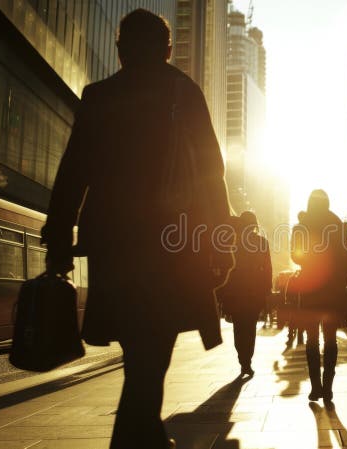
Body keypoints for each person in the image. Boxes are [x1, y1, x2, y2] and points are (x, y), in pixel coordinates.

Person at [41, 10, 233, 449]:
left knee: (139, 354)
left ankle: (145, 437)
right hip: (172, 247)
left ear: (120, 49)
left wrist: (59, 240)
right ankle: (139, 438)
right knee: (151, 353)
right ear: (168, 50)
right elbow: (212, 173)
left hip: (115, 250)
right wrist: (221, 243)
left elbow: (73, 173)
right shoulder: (183, 91)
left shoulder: (99, 96)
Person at [291, 190, 347, 402]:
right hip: (332, 292)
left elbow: (295, 255)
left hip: (310, 290)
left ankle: (315, 387)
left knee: (312, 339)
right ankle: (327, 387)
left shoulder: (301, 227)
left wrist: (309, 261)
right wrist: (341, 282)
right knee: (330, 338)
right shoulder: (338, 226)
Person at [216, 211, 272, 377]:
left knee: (239, 328)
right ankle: (247, 360)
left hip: (236, 292)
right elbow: (267, 269)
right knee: (250, 327)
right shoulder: (261, 242)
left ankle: (243, 360)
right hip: (254, 292)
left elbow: (225, 267)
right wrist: (266, 290)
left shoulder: (233, 242)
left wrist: (222, 293)